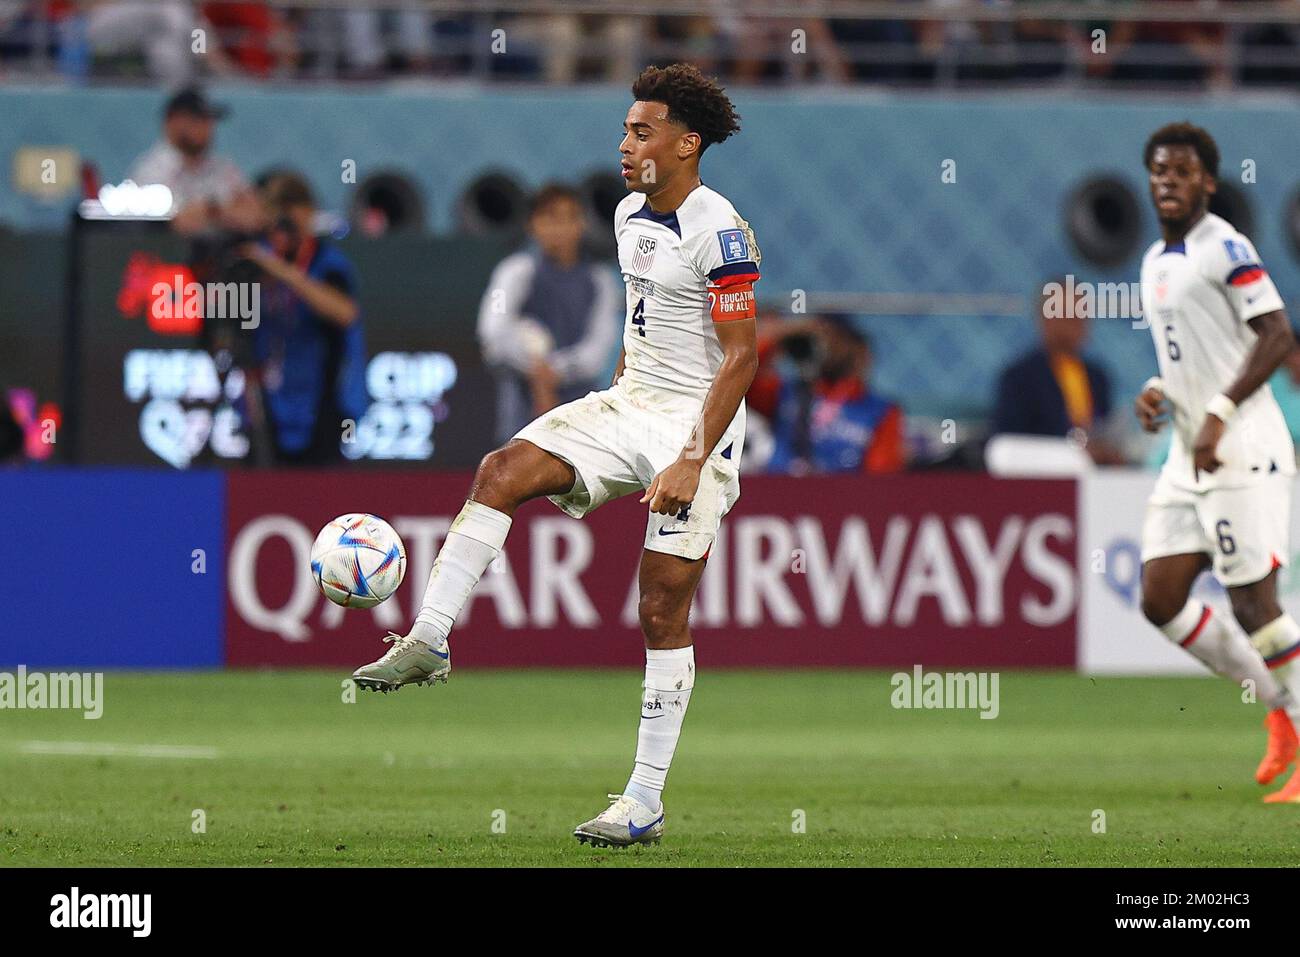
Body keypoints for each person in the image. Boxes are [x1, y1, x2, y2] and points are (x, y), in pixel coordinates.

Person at [351, 63, 761, 848]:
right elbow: (644, 326)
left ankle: (642, 799)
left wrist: (687, 457)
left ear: (687, 142)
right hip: (628, 401)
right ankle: (430, 640)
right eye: (625, 129)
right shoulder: (630, 214)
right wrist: (607, 404)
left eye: (641, 131)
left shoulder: (722, 230)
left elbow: (741, 358)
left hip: (695, 425)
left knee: (659, 610)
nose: (624, 143)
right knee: (500, 471)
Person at [1133, 121, 1300, 803]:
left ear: (1207, 181)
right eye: (1158, 171)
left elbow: (1276, 333)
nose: (1168, 182)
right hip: (1187, 452)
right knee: (1160, 597)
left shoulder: (1226, 247)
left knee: (1255, 602)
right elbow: (1191, 357)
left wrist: (1222, 412)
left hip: (1242, 448)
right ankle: (1279, 708)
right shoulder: (1153, 261)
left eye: (1182, 172)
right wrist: (1158, 392)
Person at [238, 172, 367, 465]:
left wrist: (282, 272)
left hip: (323, 403)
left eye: (289, 220)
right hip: (267, 402)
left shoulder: (328, 263)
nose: (282, 231)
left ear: (308, 215)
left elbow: (346, 313)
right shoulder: (255, 262)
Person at [477, 183, 621, 444]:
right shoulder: (511, 272)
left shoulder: (602, 282)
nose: (561, 228)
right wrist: (534, 368)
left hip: (580, 420)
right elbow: (492, 329)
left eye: (571, 218)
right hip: (521, 418)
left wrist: (553, 370)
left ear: (582, 225)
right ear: (533, 225)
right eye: (551, 217)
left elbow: (597, 350)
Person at [747, 314, 905, 474]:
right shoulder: (787, 393)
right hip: (780, 487)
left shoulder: (881, 411)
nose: (826, 346)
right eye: (821, 338)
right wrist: (782, 334)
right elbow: (742, 377)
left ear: (858, 349)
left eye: (835, 338)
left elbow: (882, 476)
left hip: (840, 493)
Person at [992, 279, 1125, 464]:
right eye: (1067, 315)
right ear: (1044, 318)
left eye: (1082, 315)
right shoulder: (1019, 379)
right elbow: (1009, 445)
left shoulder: (1097, 377)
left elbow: (1105, 427)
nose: (1077, 324)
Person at [129, 85, 261, 236]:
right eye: (199, 120)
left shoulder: (222, 166)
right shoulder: (151, 171)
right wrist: (225, 210)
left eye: (210, 121)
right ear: (174, 122)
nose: (208, 128)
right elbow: (178, 225)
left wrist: (210, 210)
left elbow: (255, 217)